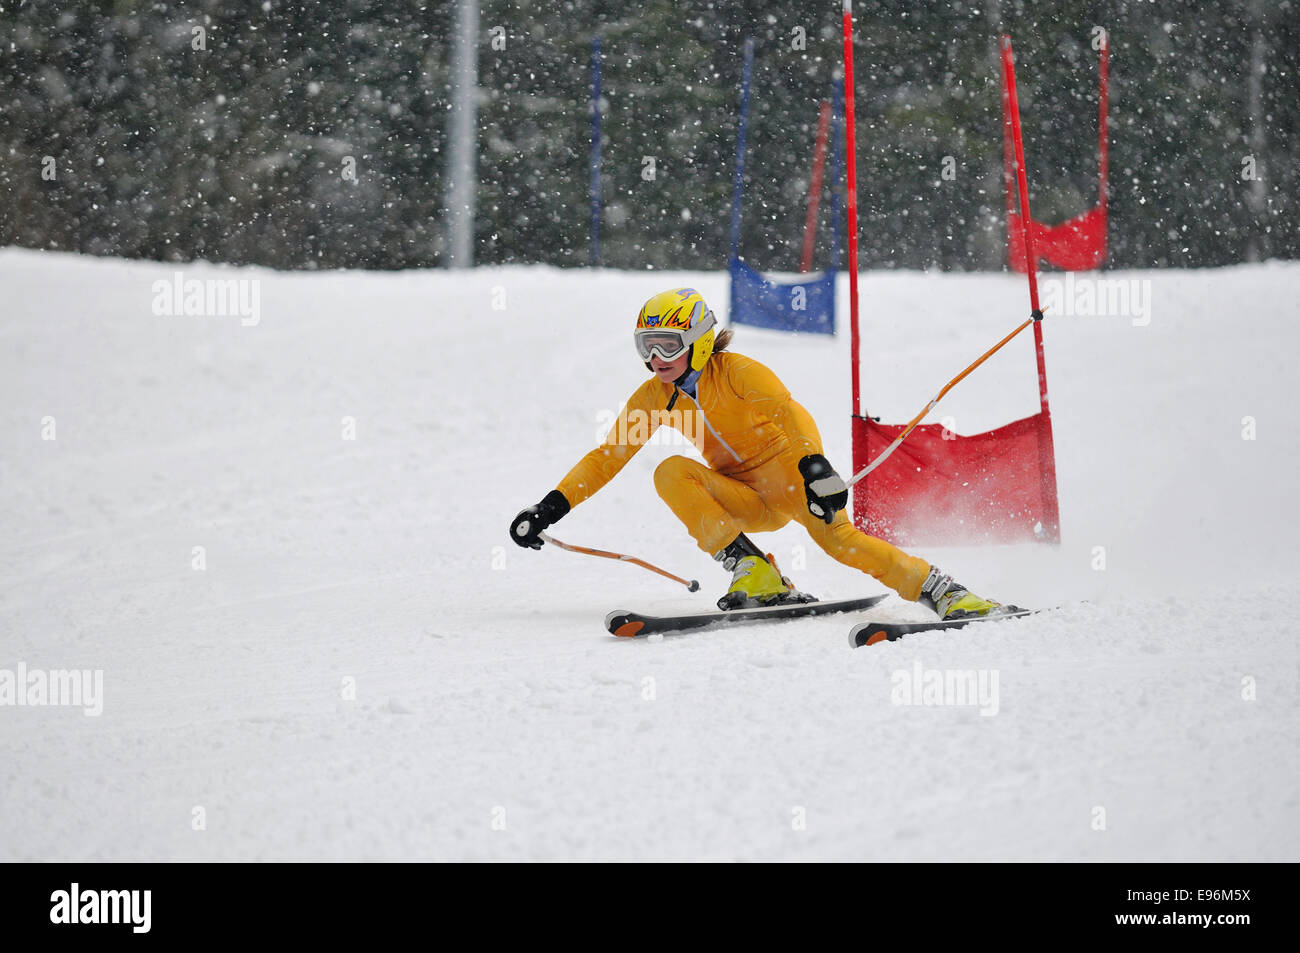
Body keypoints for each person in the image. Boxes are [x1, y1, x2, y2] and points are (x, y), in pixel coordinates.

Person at [510, 287, 1015, 619]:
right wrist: (550, 507)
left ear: (698, 341)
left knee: (843, 545)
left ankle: (945, 591)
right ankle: (754, 569)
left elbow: (789, 414)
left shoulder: (737, 373)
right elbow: (607, 456)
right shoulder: (655, 398)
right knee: (670, 471)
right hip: (744, 496)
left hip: (792, 482)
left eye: (665, 344)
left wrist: (814, 467)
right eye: (645, 346)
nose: (653, 359)